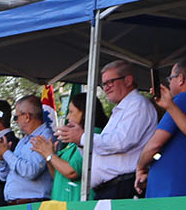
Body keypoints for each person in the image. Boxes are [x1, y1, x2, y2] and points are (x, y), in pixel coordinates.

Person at [61, 60, 157, 200]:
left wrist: (82, 137)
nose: (106, 88)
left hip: (123, 186)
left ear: (128, 80)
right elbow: (100, 151)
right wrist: (79, 141)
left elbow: (120, 142)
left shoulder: (137, 105)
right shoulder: (121, 109)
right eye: (104, 84)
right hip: (110, 188)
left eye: (110, 82)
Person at [136, 58, 186, 199]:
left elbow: (155, 144)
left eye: (171, 78)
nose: (169, 83)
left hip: (171, 188)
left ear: (181, 79)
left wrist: (140, 166)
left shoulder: (181, 100)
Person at [31, 89, 99, 203]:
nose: (68, 117)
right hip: (61, 204)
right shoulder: (73, 141)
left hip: (77, 205)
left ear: (84, 112)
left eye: (71, 112)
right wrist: (48, 157)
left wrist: (50, 155)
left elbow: (72, 172)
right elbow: (57, 175)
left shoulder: (93, 135)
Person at [0, 94, 55, 204]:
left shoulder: (45, 137)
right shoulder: (23, 141)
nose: (16, 121)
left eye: (16, 117)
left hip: (33, 203)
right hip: (17, 204)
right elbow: (4, 176)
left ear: (27, 117)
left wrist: (5, 152)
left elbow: (31, 171)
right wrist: (1, 158)